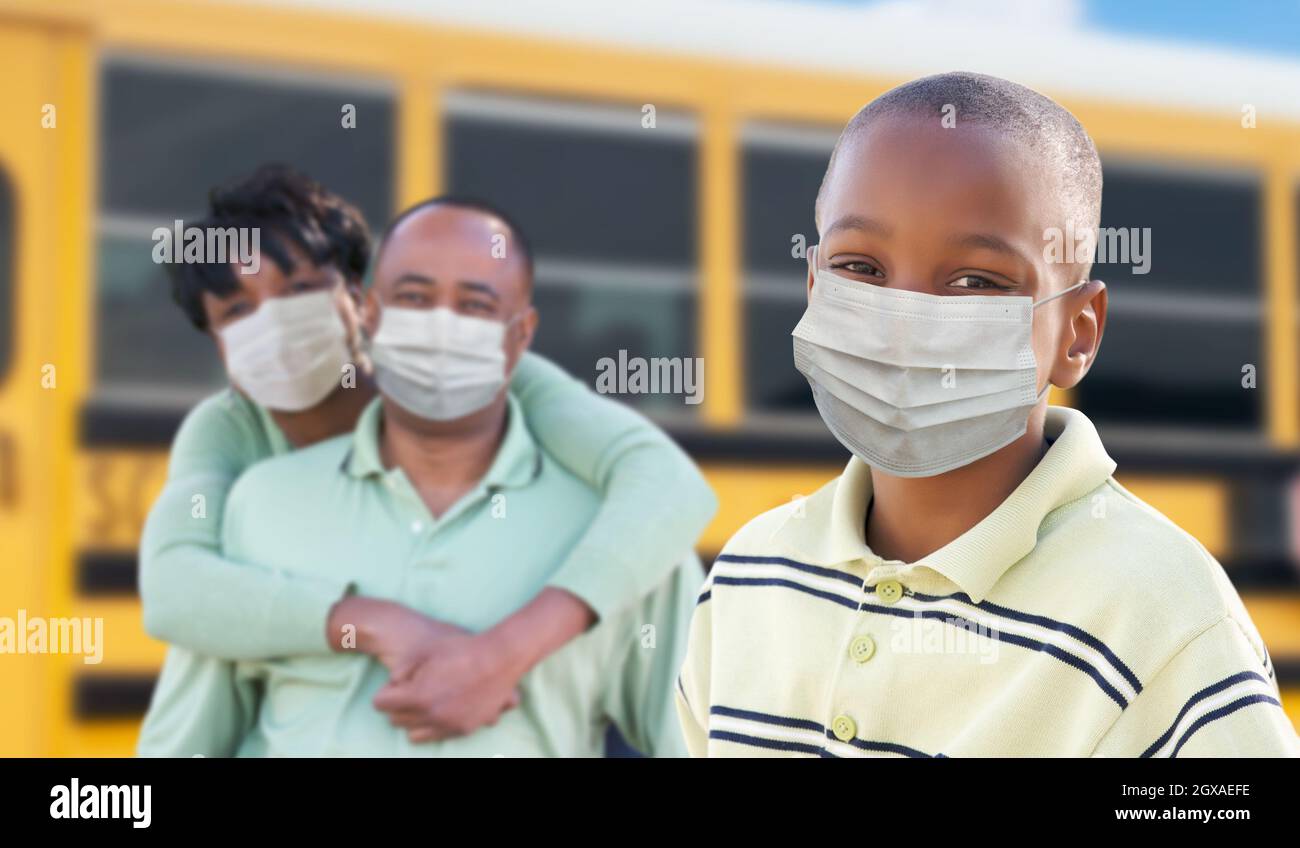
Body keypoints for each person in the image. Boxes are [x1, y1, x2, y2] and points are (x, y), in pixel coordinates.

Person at [675, 72, 1299, 758]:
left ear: (1078, 332)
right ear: (814, 286)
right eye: (861, 267)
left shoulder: (1164, 617)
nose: (905, 324)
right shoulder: (750, 572)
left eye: (977, 281)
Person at [137, 167, 715, 755]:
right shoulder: (236, 454)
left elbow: (666, 485)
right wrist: (371, 622)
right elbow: (177, 590)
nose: (276, 327)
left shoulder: (514, 389)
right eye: (238, 310)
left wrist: (500, 656)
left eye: (299, 290)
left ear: (355, 300)